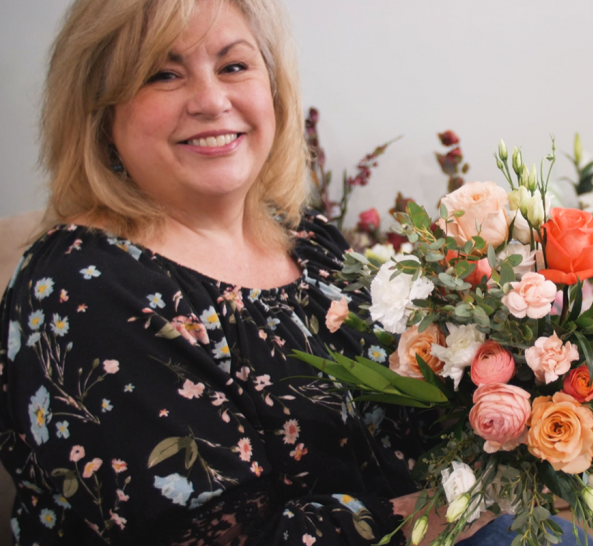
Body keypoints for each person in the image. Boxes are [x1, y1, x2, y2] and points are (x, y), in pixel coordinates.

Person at [0, 0, 506, 543]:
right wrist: (459, 515)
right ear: (100, 114)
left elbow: (410, 411)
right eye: (163, 74)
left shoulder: (305, 237)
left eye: (233, 66)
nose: (212, 101)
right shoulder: (83, 285)